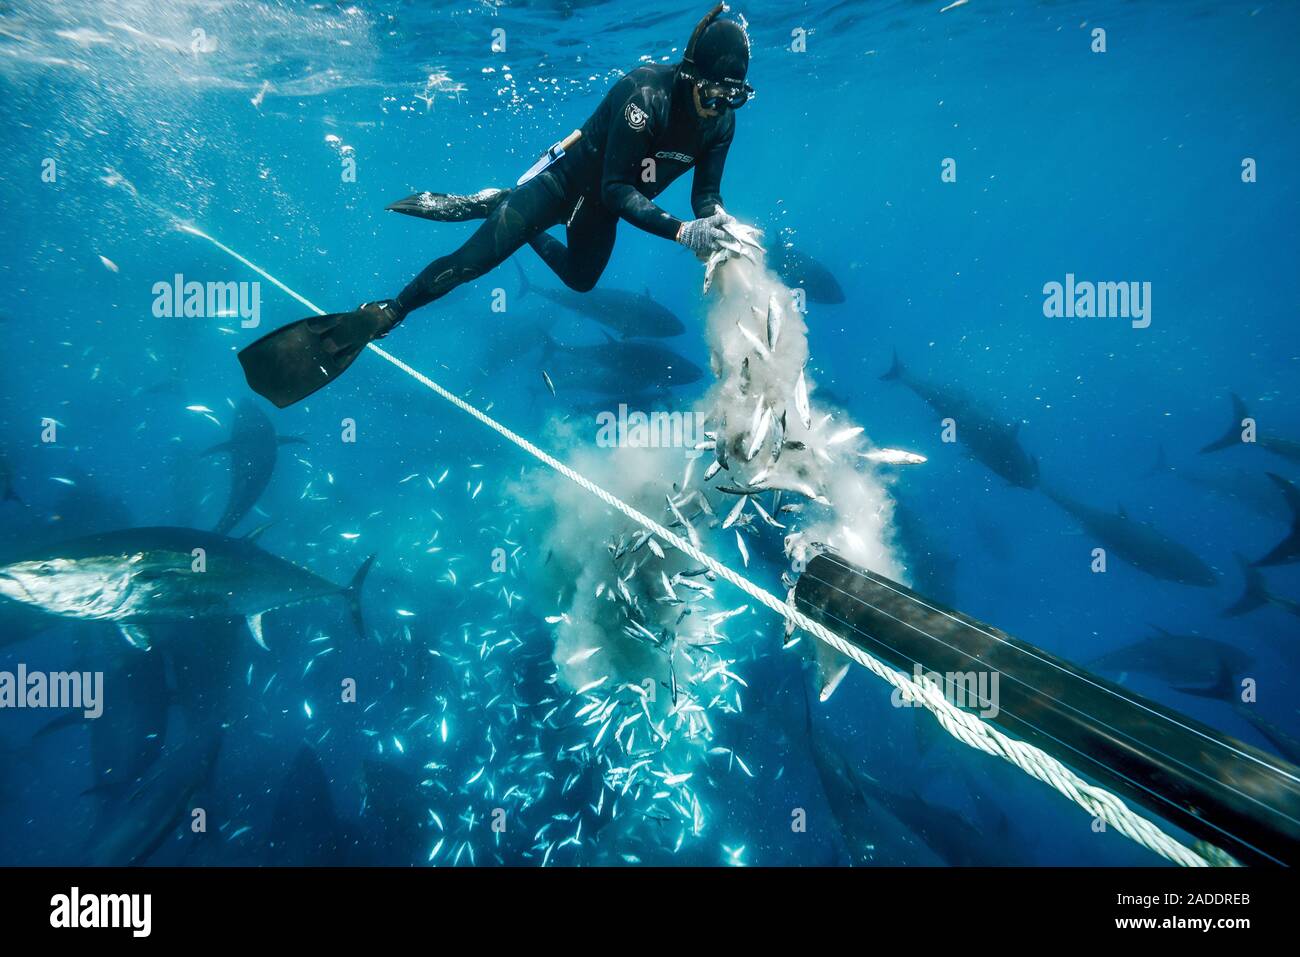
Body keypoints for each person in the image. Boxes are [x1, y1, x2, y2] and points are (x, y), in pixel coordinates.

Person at [240, 4, 756, 408]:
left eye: (733, 97)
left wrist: (715, 218)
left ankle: (500, 205)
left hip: (599, 207)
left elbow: (703, 194)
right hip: (563, 184)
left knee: (581, 280)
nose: (718, 105)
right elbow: (618, 187)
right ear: (691, 74)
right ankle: (387, 312)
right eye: (714, 91)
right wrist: (682, 234)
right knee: (472, 264)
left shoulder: (721, 123)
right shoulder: (645, 96)